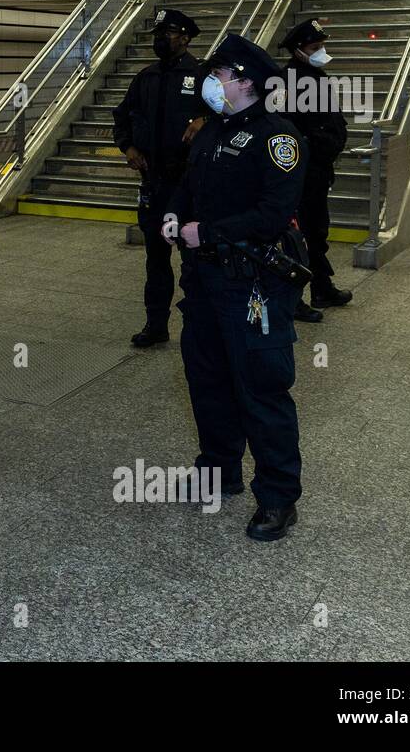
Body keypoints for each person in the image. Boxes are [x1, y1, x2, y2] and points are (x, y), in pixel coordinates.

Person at [165, 34, 307, 542]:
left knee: (261, 389)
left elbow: (273, 213)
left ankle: (276, 497)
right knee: (208, 381)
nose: (211, 82)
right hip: (204, 280)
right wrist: (174, 213)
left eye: (219, 75)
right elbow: (189, 184)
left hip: (252, 283)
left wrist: (210, 231)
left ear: (245, 81)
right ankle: (217, 473)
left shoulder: (278, 137)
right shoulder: (211, 131)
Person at [113, 8, 207, 347]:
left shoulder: (202, 76)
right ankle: (156, 324)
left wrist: (205, 121)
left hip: (189, 186)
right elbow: (121, 118)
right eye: (157, 33)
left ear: (185, 37)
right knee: (156, 259)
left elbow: (229, 117)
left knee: (194, 259)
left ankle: (200, 325)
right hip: (155, 185)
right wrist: (128, 148)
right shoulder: (146, 78)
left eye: (167, 33)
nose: (159, 39)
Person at [280, 18, 353, 321]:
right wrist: (317, 144)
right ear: (298, 51)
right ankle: (293, 299)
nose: (322, 51)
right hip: (299, 173)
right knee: (296, 238)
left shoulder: (315, 77)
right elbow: (289, 132)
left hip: (318, 171)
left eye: (322, 45)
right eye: (315, 47)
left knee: (316, 232)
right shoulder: (286, 82)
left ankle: (322, 288)